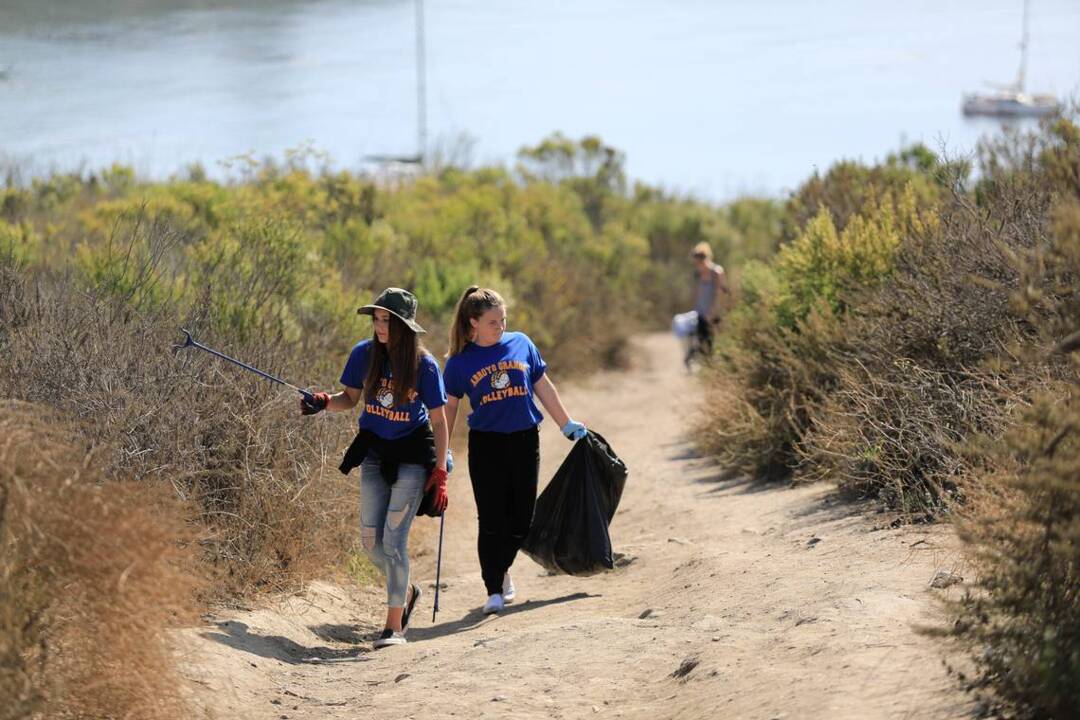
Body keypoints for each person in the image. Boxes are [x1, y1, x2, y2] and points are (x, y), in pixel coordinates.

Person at [299, 287, 449, 649]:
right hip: (374, 452)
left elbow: (440, 421)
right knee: (371, 544)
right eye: (378, 319)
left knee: (395, 542)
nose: (381, 326)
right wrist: (322, 402)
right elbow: (348, 400)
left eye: (389, 320)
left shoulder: (424, 365)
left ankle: (393, 627)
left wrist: (440, 472)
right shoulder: (363, 355)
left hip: (413, 455)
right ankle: (407, 589)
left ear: (406, 326)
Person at [442, 286, 587, 616]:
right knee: (491, 519)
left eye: (503, 320)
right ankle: (494, 587)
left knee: (522, 518)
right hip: (486, 445)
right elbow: (449, 409)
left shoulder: (522, 343)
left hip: (524, 440)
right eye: (493, 322)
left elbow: (543, 386)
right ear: (473, 322)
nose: (501, 327)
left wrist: (565, 423)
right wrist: (444, 450)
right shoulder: (459, 363)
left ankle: (501, 566)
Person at [691, 241, 730, 357]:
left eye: (699, 258)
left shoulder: (716, 272)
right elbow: (698, 293)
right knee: (702, 343)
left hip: (714, 314)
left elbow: (721, 293)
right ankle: (706, 369)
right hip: (701, 313)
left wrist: (713, 312)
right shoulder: (698, 273)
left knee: (715, 343)